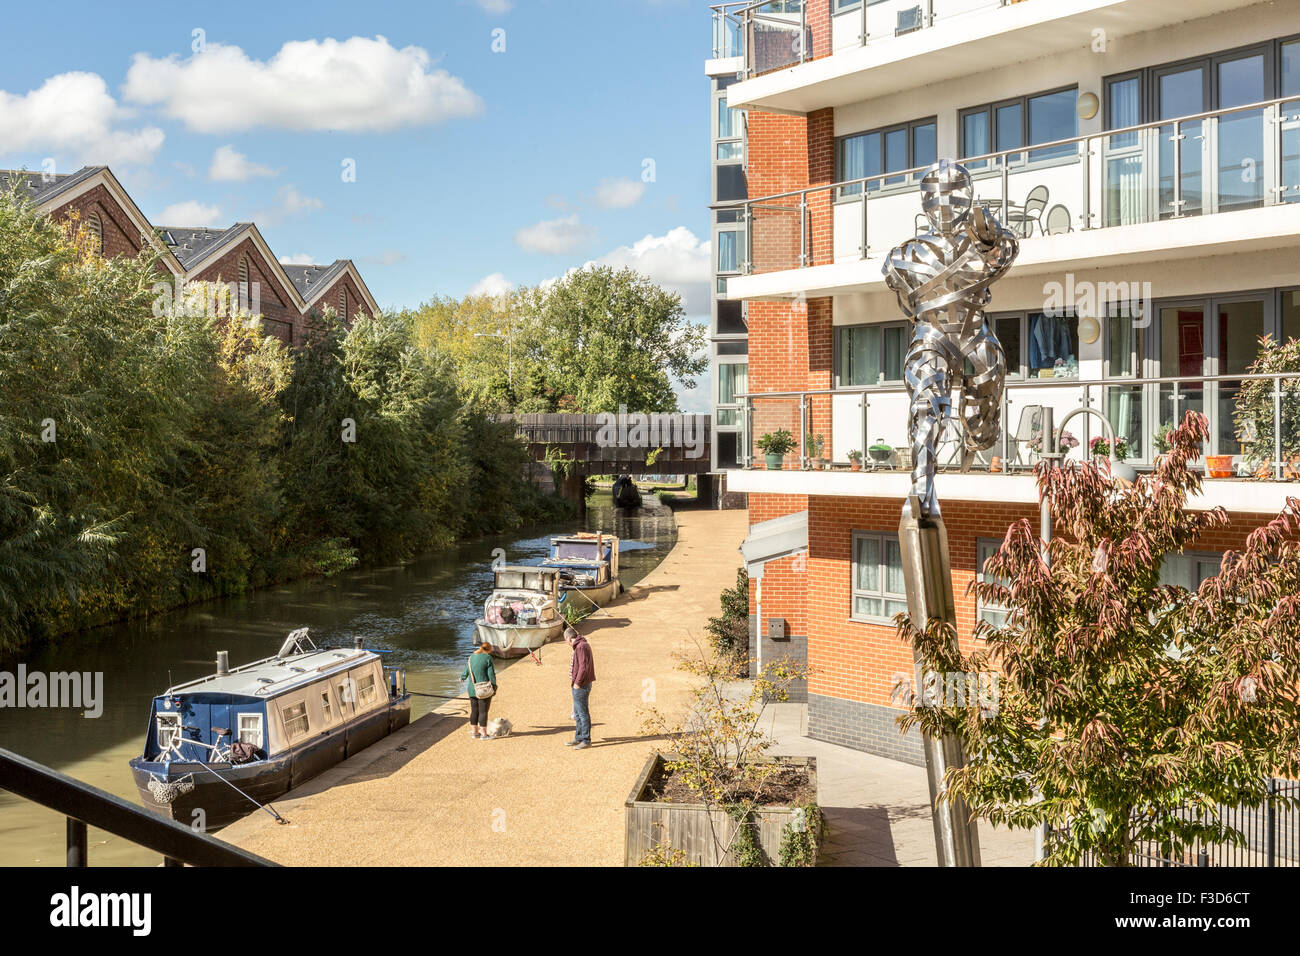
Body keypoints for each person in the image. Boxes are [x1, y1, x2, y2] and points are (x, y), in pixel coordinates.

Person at [564, 626, 595, 750]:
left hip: (581, 685)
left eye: (565, 639)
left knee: (582, 713)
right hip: (580, 684)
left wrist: (577, 682)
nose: (566, 642)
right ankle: (578, 737)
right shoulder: (581, 645)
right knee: (577, 712)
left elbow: (583, 667)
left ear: (569, 638)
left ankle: (586, 740)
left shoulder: (581, 647)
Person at [460, 642, 498, 739]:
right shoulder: (488, 658)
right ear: (488, 650)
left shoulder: (471, 657)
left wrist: (463, 677)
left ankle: (475, 733)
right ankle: (484, 735)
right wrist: (494, 688)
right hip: (483, 689)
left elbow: (466, 672)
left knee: (474, 711)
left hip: (472, 689)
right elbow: (491, 675)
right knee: (483, 712)